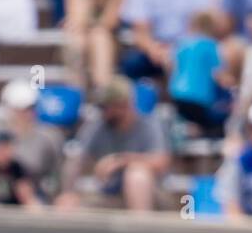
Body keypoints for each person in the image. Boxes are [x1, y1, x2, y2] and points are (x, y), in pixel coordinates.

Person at [57, 75, 170, 211]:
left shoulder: (148, 124)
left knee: (136, 175)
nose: (104, 112)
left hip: (151, 198)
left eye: (107, 107)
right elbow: (76, 161)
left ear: (124, 105)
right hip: (109, 196)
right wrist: (68, 193)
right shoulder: (97, 126)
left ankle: (141, 230)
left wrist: (120, 161)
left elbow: (161, 161)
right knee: (68, 205)